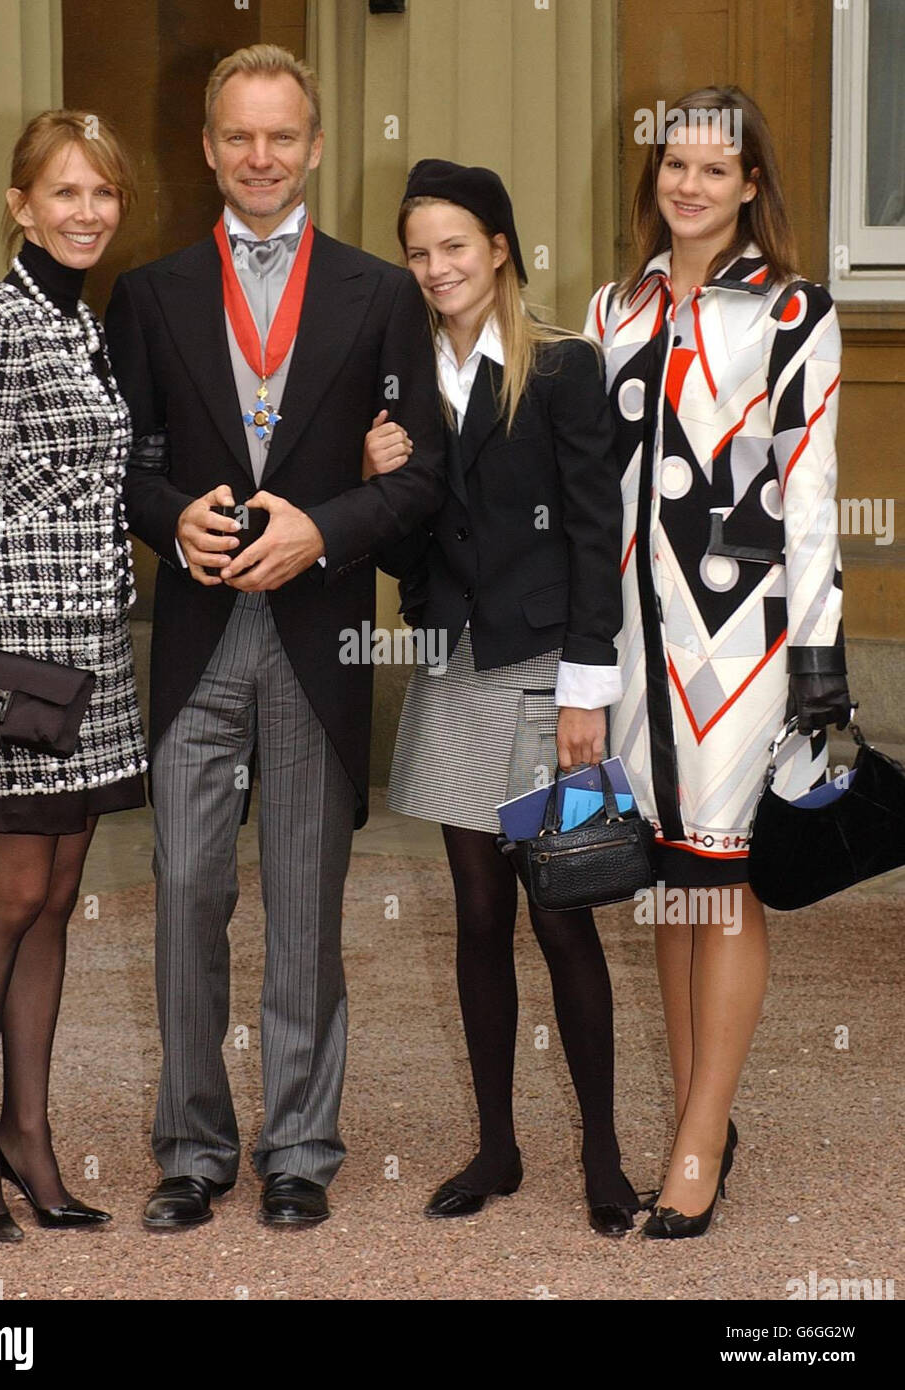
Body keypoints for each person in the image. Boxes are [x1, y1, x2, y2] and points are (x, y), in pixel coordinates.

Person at [104, 45, 444, 1231]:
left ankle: (299, 1145)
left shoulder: (380, 295)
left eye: (282, 136)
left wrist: (326, 529)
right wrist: (167, 514)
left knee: (305, 904)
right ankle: (192, 1147)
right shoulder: (147, 296)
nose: (261, 157)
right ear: (209, 148)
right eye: (239, 137)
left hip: (316, 634)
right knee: (189, 891)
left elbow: (423, 480)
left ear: (313, 147)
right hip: (197, 633)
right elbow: (127, 461)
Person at [584, 87, 850, 1238]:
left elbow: (811, 487)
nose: (687, 187)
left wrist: (820, 655)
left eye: (713, 170)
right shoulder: (612, 309)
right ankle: (704, 1115)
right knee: (676, 878)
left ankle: (697, 1141)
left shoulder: (792, 311)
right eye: (672, 168)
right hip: (636, 643)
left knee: (724, 872)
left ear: (751, 185)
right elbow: (588, 488)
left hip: (744, 642)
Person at [373, 160, 644, 1236]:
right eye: (418, 250)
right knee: (478, 913)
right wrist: (380, 471)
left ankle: (608, 1154)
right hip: (453, 676)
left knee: (562, 909)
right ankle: (496, 1145)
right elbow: (403, 550)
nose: (436, 268)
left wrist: (588, 691)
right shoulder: (404, 380)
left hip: (548, 679)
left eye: (454, 246)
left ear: (498, 248)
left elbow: (594, 535)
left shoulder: (566, 369)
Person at [0, 111, 146, 1241]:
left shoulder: (83, 323)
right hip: (11, 664)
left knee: (55, 898)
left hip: (91, 663)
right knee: (7, 899)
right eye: (64, 194)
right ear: (20, 206)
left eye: (102, 193)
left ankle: (29, 1131)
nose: (87, 212)